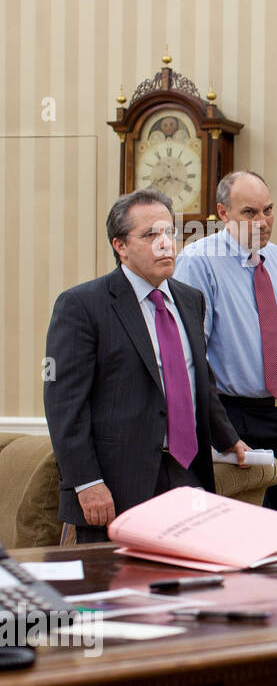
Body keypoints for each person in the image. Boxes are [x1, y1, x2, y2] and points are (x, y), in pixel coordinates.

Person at [44, 190, 248, 543]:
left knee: (187, 590)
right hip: (116, 485)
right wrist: (87, 482)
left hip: (187, 476)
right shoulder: (82, 305)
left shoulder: (189, 299)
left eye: (169, 232)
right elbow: (64, 405)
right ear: (120, 246)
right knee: (117, 595)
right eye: (151, 235)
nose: (165, 244)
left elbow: (199, 378)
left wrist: (228, 438)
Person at [174, 172, 277, 515]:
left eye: (268, 210)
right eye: (250, 213)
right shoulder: (198, 262)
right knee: (249, 529)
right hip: (239, 419)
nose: (263, 222)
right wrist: (217, 428)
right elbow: (191, 354)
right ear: (223, 213)